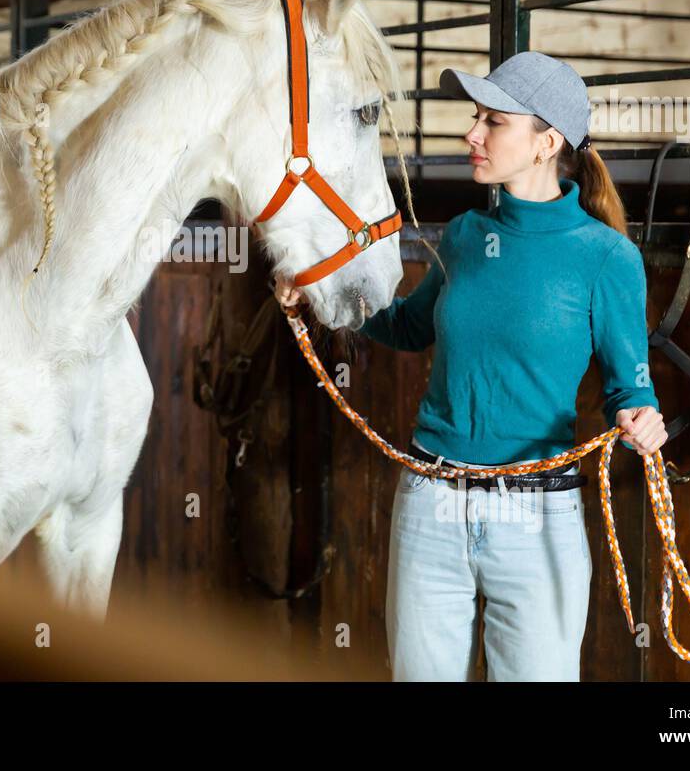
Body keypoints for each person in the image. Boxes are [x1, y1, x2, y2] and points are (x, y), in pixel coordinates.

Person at [274, 51, 666, 681]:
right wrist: (323, 296)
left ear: (547, 142)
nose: (471, 134)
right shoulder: (462, 235)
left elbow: (631, 387)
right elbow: (406, 325)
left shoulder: (606, 257)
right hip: (430, 504)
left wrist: (643, 418)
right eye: (475, 116)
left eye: (494, 121)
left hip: (537, 521)